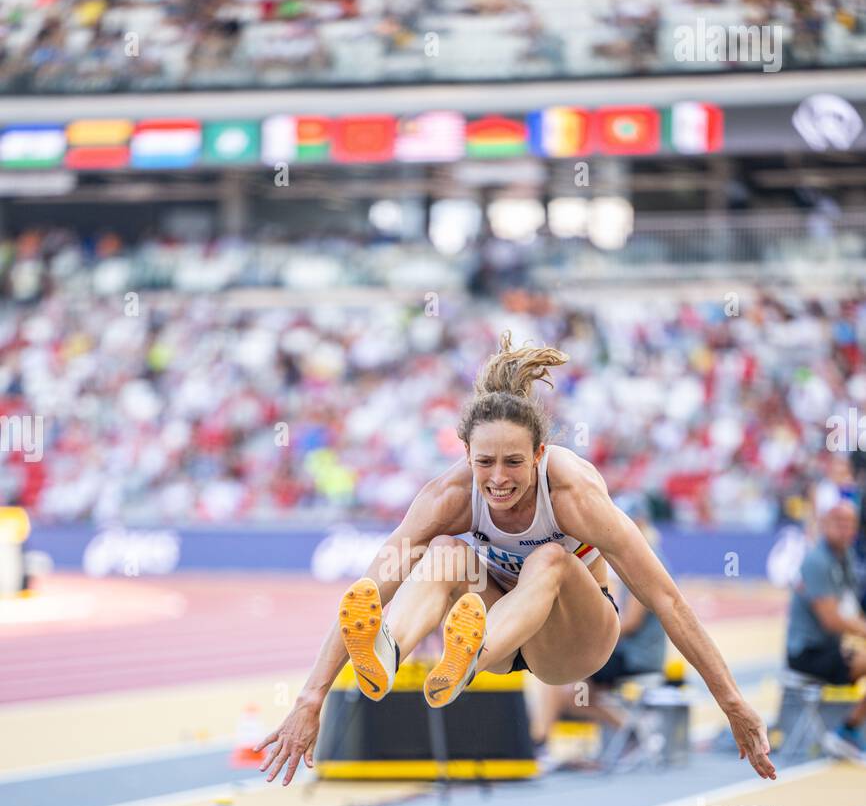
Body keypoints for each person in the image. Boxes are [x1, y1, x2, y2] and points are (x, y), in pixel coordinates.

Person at [258, 333, 774, 783]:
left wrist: (732, 703)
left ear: (540, 454)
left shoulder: (573, 495)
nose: (499, 479)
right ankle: (389, 655)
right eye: (485, 462)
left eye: (514, 462)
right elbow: (371, 588)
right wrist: (310, 699)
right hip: (501, 625)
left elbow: (666, 599)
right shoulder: (448, 497)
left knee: (549, 558)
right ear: (466, 453)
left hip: (574, 641)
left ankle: (466, 659)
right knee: (444, 552)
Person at [527, 493, 668, 753]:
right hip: (631, 653)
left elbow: (630, 623)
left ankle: (538, 742)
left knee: (554, 670)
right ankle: (631, 732)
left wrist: (590, 637)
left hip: (636, 657)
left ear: (640, 523)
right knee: (571, 691)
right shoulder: (635, 558)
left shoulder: (646, 560)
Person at [786, 497, 866, 758]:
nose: (845, 529)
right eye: (839, 522)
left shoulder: (846, 557)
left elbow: (852, 608)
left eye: (850, 523)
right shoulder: (817, 561)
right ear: (824, 524)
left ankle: (850, 729)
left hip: (830, 649)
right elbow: (831, 620)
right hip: (807, 654)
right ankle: (848, 730)